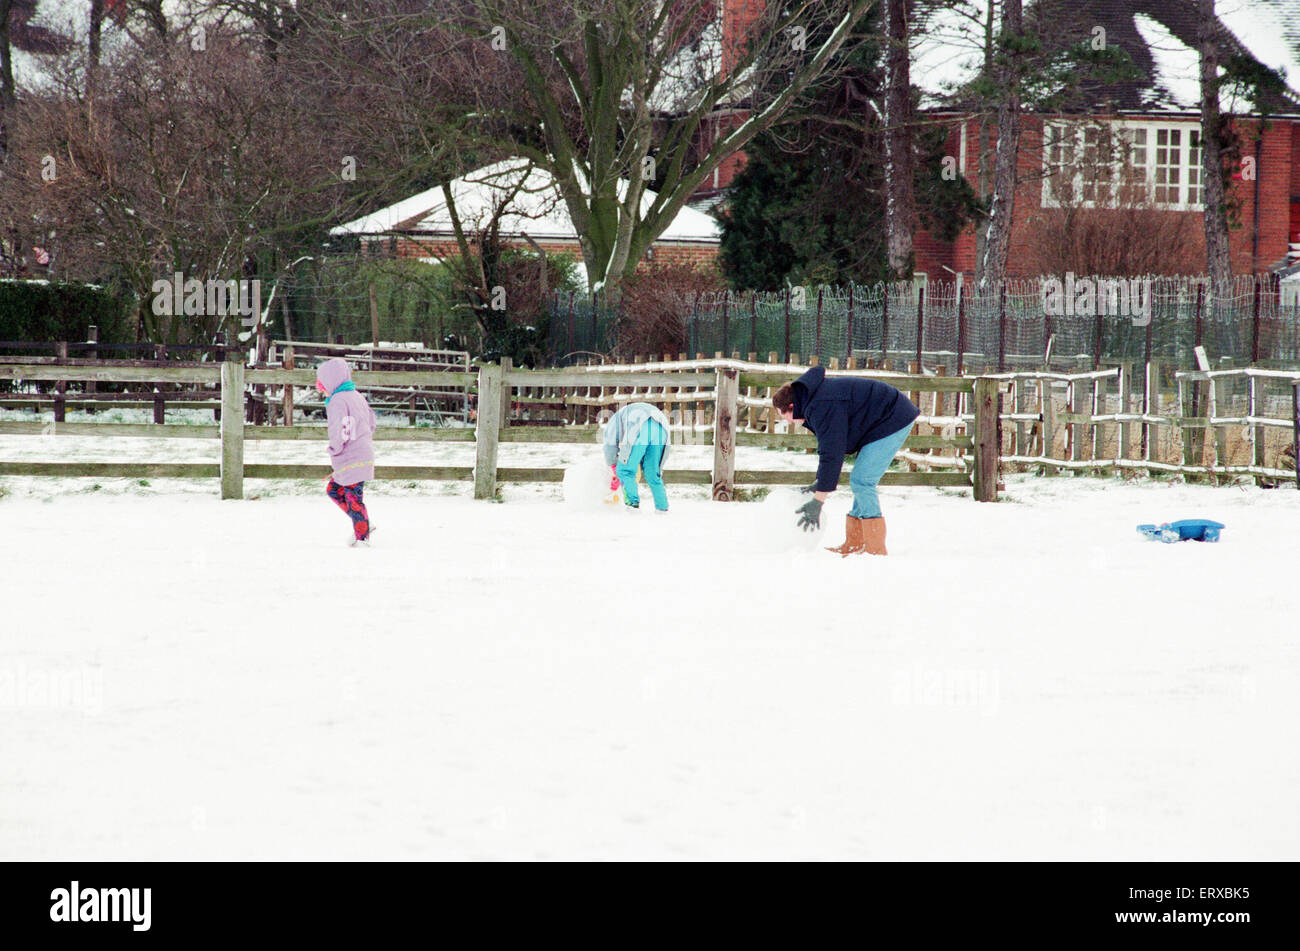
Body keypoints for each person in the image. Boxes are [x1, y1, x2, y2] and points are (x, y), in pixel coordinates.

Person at [770, 366, 919, 556]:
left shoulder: (821, 405)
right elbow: (829, 446)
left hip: (893, 418)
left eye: (785, 417)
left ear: (791, 407)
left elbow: (833, 452)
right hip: (878, 420)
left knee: (862, 481)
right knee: (859, 480)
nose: (789, 422)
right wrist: (820, 483)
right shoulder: (813, 401)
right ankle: (855, 543)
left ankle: (875, 548)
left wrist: (818, 501)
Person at [316, 357, 377, 546]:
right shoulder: (357, 396)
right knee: (334, 489)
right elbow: (371, 422)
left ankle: (362, 538)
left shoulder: (336, 401)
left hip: (350, 456)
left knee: (353, 497)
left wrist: (335, 448)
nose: (321, 389)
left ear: (332, 381)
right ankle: (362, 522)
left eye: (323, 385)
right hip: (363, 453)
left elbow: (338, 429)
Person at [602, 401, 671, 512]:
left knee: (625, 471)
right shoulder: (625, 415)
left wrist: (614, 465)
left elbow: (609, 445)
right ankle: (662, 508)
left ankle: (632, 505)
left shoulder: (613, 422)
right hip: (661, 426)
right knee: (653, 474)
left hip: (641, 424)